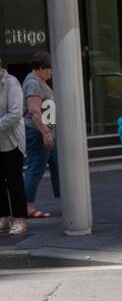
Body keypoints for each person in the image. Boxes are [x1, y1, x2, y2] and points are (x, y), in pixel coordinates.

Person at [22, 52, 58, 220]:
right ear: (41, 68)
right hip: (38, 133)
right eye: (50, 70)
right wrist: (45, 133)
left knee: (58, 164)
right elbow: (34, 111)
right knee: (35, 168)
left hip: (45, 133)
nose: (51, 74)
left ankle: (66, 198)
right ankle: (27, 206)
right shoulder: (33, 83)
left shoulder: (39, 81)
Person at [0, 58, 27, 235]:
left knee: (14, 181)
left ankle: (20, 219)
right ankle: (4, 217)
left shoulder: (11, 83)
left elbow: (15, 113)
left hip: (12, 141)